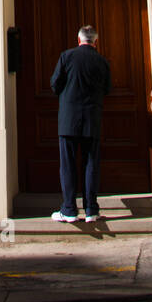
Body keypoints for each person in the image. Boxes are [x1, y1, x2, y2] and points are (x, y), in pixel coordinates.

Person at [49, 25, 111, 223]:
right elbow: (107, 88)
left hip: (68, 119)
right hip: (92, 118)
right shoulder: (102, 62)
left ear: (78, 40)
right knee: (91, 163)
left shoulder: (66, 57)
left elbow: (55, 84)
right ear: (96, 42)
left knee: (67, 164)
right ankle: (91, 209)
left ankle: (69, 209)